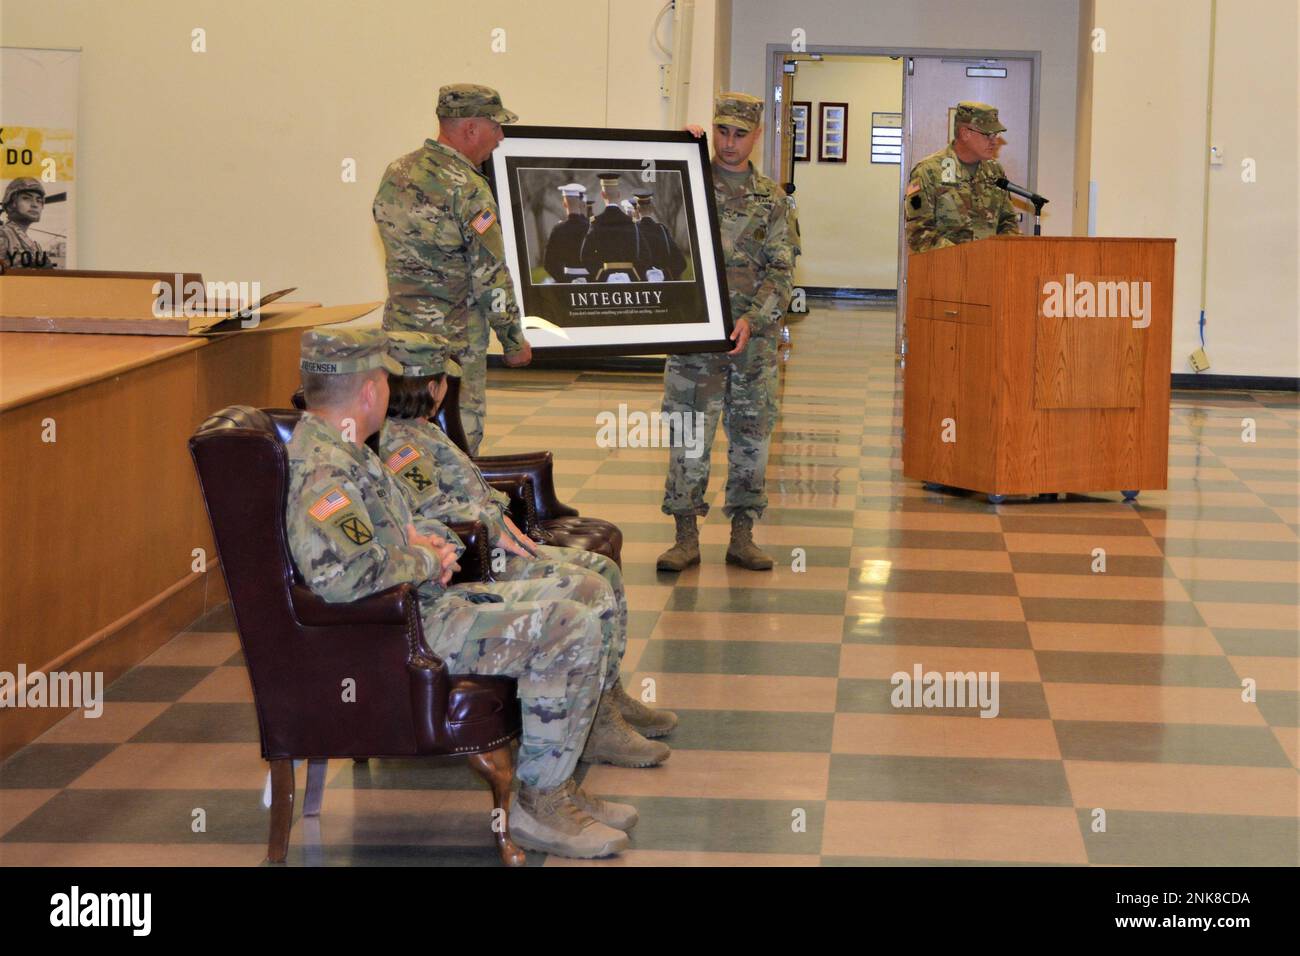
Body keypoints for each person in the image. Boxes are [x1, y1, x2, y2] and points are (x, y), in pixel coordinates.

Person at [286, 326, 639, 859]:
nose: (389, 388)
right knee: (571, 628)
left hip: (420, 608)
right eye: (384, 378)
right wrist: (428, 558)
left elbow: (369, 541)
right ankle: (539, 805)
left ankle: (555, 789)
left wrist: (415, 538)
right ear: (368, 391)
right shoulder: (324, 469)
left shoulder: (342, 449)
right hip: (403, 629)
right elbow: (342, 580)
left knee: (578, 603)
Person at [378, 330, 676, 764]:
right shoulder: (402, 445)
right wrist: (493, 526)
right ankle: (597, 724)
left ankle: (607, 697)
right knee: (590, 583)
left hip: (494, 550)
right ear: (431, 387)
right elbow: (437, 510)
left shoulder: (420, 432)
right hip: (477, 563)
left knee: (603, 571)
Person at [656, 92, 801, 573]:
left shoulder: (773, 200)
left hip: (752, 344)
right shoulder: (688, 182)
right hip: (694, 341)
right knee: (688, 436)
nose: (729, 142)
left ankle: (743, 534)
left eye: (740, 133)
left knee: (751, 439)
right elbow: (649, 224)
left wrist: (754, 319)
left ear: (756, 136)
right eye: (722, 131)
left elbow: (781, 273)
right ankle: (685, 537)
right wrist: (675, 155)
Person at [373, 83, 533, 456]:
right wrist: (512, 340)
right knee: (457, 441)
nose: (501, 137)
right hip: (454, 346)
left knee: (399, 438)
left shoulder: (396, 172)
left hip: (398, 340)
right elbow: (489, 272)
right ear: (471, 129)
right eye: (496, 127)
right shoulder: (470, 189)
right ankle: (452, 511)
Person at [904, 101, 1020, 253]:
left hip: (990, 269)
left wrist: (1001, 251)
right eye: (988, 135)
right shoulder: (927, 171)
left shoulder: (994, 171)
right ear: (965, 133)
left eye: (996, 134)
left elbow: (1008, 222)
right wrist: (964, 258)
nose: (995, 141)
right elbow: (919, 234)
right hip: (944, 270)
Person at [579, 173, 643, 282]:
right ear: (618, 195)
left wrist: (599, 272)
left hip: (604, 278)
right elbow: (644, 254)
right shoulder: (631, 223)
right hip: (630, 277)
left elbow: (585, 255)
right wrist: (635, 272)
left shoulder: (596, 222)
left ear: (603, 195)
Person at [542, 182, 592, 283]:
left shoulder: (558, 229)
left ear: (564, 204)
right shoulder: (591, 227)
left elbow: (549, 264)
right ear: (580, 203)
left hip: (567, 280)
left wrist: (564, 281)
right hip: (590, 279)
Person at [634, 190, 688, 281]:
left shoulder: (633, 230)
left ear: (638, 210)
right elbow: (681, 262)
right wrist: (665, 274)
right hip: (664, 284)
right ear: (652, 209)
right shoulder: (662, 229)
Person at [1, 178, 51, 270]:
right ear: (11, 203)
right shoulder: (3, 235)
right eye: (26, 198)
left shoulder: (35, 246)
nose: (35, 205)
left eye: (39, 200)